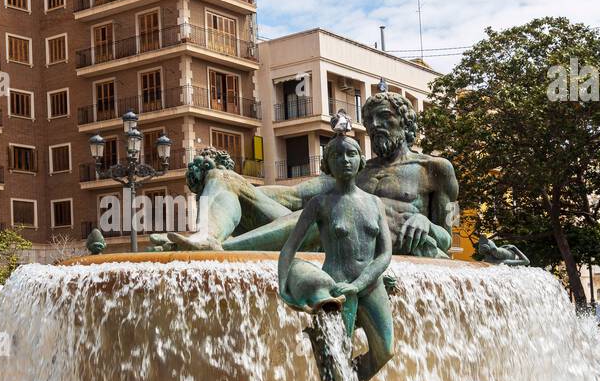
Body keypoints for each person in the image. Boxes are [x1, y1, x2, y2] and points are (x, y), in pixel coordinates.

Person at [160, 91, 458, 258]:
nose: (376, 125)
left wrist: (427, 225)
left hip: (374, 246)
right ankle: (206, 236)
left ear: (406, 124)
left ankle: (221, 251)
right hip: (329, 234)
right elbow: (289, 195)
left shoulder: (433, 169)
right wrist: (224, 190)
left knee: (330, 208)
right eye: (370, 120)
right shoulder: (358, 171)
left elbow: (446, 238)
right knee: (223, 177)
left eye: (385, 118)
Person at [277, 132, 395, 381]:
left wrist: (361, 283)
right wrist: (283, 287)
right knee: (339, 353)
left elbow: (385, 253)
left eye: (351, 154)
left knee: (385, 351)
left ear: (360, 159)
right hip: (337, 288)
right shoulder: (320, 203)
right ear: (327, 163)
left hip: (371, 283)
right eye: (336, 155)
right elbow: (289, 248)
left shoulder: (375, 203)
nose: (345, 160)